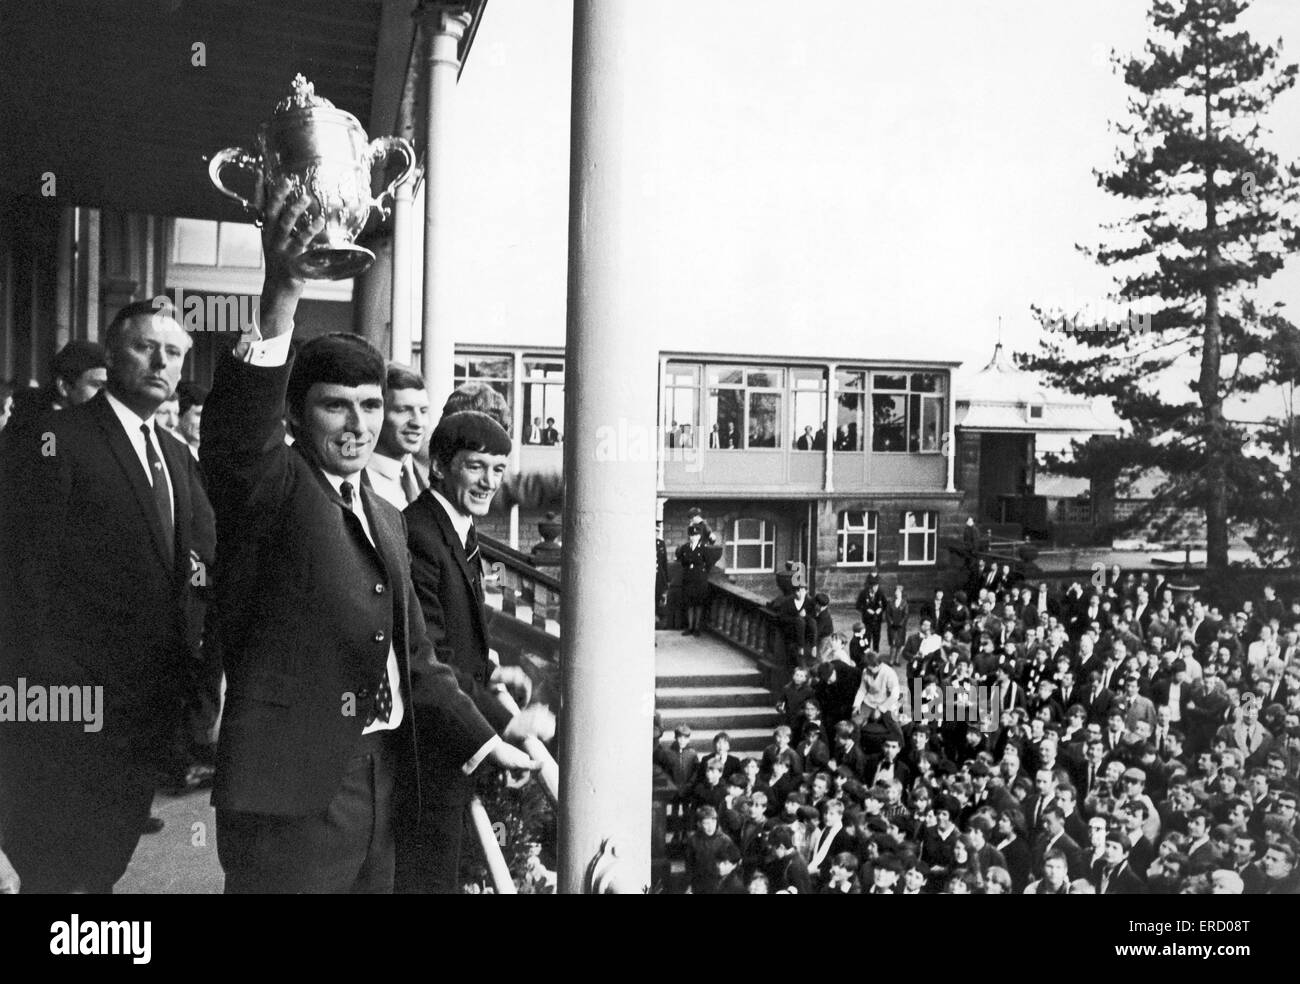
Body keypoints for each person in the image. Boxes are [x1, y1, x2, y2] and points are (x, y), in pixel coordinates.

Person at [201, 188, 536, 893]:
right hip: (290, 798)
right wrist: (282, 294)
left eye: (370, 407)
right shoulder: (271, 483)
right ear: (297, 414)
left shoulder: (385, 512)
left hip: (382, 780)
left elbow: (418, 661)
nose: (356, 425)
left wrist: (488, 742)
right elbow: (237, 435)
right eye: (334, 406)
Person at [0, 298, 204, 893]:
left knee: (104, 867)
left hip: (145, 712)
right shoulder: (55, 439)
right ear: (113, 355)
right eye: (146, 347)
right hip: (69, 710)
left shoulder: (171, 453)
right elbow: (21, 582)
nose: (161, 362)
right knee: (61, 871)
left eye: (173, 352)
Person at [364, 364, 431, 510]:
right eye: (403, 410)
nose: (418, 422)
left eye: (423, 411)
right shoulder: (352, 477)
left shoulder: (432, 468)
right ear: (377, 414)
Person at [676, 522, 714, 635]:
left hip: (699, 580)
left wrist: (702, 572)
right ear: (689, 536)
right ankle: (690, 627)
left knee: (698, 604)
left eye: (696, 535)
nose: (693, 537)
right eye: (692, 535)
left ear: (699, 536)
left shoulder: (703, 548)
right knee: (689, 604)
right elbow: (682, 561)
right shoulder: (685, 548)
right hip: (688, 579)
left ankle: (696, 628)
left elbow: (709, 563)